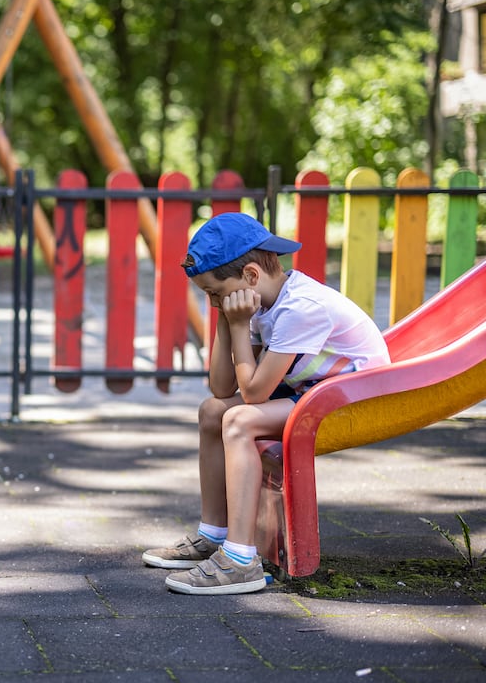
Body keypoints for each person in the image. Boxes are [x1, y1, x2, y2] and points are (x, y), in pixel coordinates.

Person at [143, 213, 390, 595]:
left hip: (351, 402)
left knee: (239, 421)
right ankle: (215, 535)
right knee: (213, 412)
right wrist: (228, 322)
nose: (213, 303)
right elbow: (222, 387)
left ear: (251, 277)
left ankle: (241, 561)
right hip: (313, 396)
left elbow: (255, 392)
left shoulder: (300, 308)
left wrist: (239, 325)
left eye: (215, 294)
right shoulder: (262, 303)